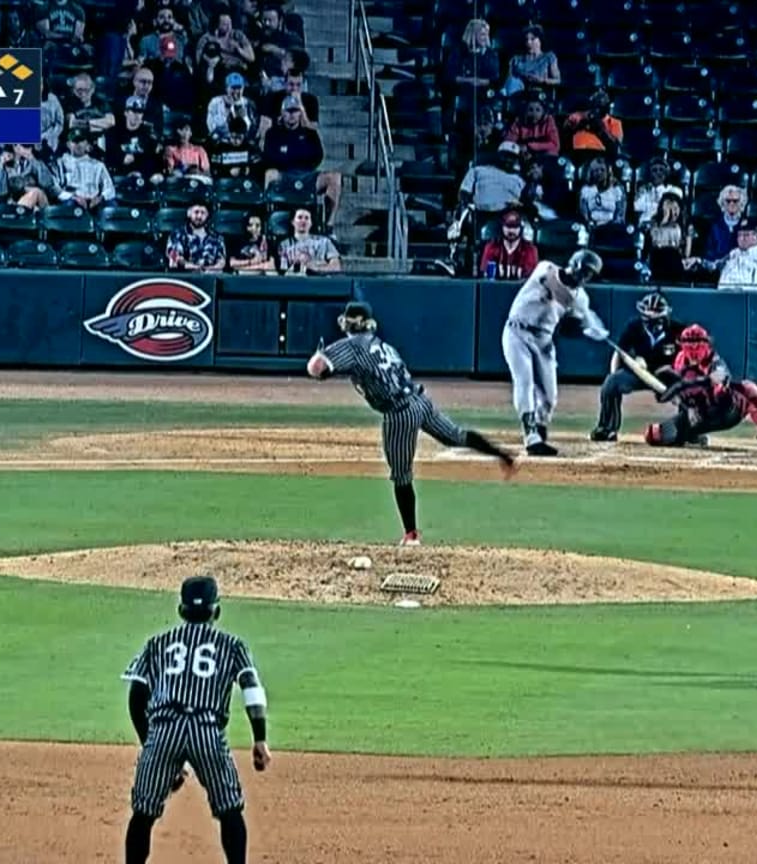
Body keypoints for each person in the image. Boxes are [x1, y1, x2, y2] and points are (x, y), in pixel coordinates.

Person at [307, 302, 517, 545]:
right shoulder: (381, 344)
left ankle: (411, 535)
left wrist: (318, 356)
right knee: (455, 436)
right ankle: (503, 456)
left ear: (347, 323)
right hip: (420, 401)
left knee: (401, 476)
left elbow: (316, 368)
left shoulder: (352, 345)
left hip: (399, 413)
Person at [121, 575, 272, 864]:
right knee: (230, 809)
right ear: (217, 610)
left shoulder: (157, 644)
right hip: (207, 730)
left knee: (143, 812)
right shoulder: (232, 645)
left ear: (181, 610)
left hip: (164, 729)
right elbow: (252, 690)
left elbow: (137, 695)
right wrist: (260, 738)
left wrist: (149, 743)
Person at [502, 250, 610, 457]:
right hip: (517, 332)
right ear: (575, 264)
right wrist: (583, 312)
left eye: (590, 275)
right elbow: (556, 288)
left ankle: (540, 426)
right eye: (585, 272)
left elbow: (567, 328)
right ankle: (531, 436)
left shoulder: (581, 298)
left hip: (543, 341)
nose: (585, 278)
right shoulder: (546, 268)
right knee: (524, 382)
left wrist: (585, 328)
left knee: (550, 397)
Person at [644, 324, 757, 454]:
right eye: (689, 346)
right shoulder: (679, 361)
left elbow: (712, 388)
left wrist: (684, 392)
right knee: (653, 435)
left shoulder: (716, 364)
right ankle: (693, 436)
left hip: (727, 412)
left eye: (698, 346)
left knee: (749, 389)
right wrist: (683, 403)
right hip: (698, 416)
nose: (694, 351)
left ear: (706, 345)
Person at [590, 292, 684, 443]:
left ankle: (689, 431)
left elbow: (685, 361)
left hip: (667, 375)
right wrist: (613, 376)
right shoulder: (634, 327)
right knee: (611, 383)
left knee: (690, 389)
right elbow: (619, 353)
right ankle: (607, 428)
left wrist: (677, 385)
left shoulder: (677, 330)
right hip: (639, 374)